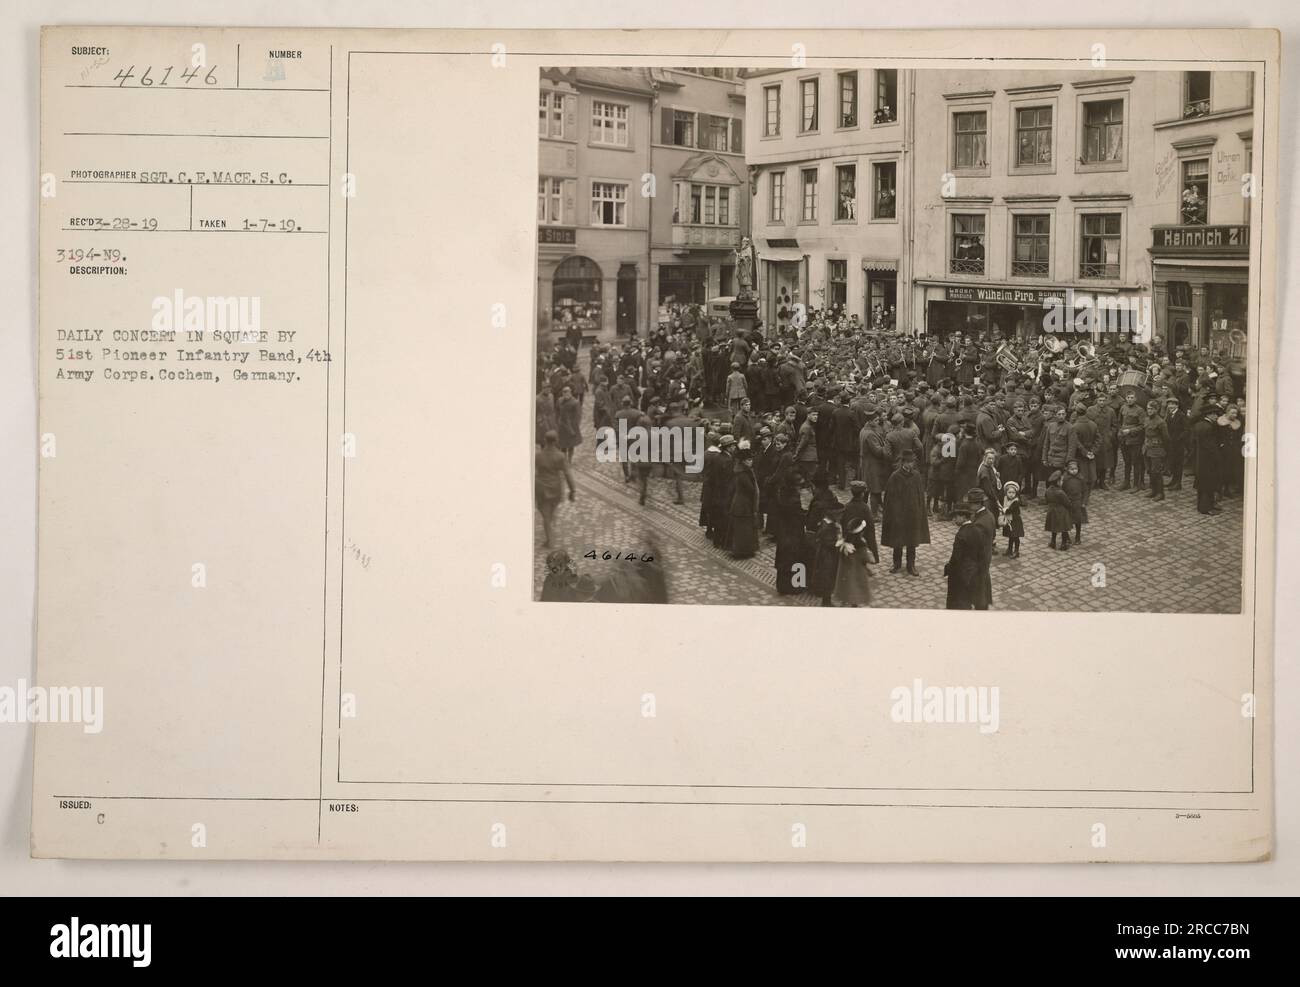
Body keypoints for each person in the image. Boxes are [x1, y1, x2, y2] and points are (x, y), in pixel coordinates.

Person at [881, 449, 930, 575]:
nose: (911, 464)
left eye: (912, 462)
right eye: (909, 462)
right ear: (903, 462)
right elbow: (889, 498)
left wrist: (919, 512)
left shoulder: (916, 476)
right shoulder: (895, 476)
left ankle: (911, 565)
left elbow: (920, 496)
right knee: (898, 540)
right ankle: (897, 563)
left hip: (913, 514)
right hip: (899, 515)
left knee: (912, 541)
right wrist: (893, 514)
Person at [944, 488, 993, 610]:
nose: (969, 506)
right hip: (982, 561)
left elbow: (973, 547)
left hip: (978, 565)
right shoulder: (988, 515)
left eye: (971, 503)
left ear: (978, 504)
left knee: (978, 599)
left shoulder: (979, 523)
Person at [535, 430, 576, 548]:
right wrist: (572, 491)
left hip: (542, 488)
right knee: (552, 511)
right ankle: (550, 531)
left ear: (545, 440)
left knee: (546, 515)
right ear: (557, 441)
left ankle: (549, 539)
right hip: (556, 488)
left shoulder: (538, 456)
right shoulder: (560, 456)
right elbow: (568, 474)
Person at [833, 513, 873, 607]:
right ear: (861, 532)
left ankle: (844, 600)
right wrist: (869, 562)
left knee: (846, 585)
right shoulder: (861, 543)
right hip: (857, 569)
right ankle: (854, 603)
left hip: (845, 569)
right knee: (855, 586)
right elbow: (865, 557)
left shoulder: (845, 541)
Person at [1191, 406, 1223, 515]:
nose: (1216, 416)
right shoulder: (1209, 427)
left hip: (1200, 459)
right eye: (1214, 414)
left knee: (1202, 484)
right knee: (1208, 484)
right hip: (1209, 460)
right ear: (1208, 415)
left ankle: (1205, 505)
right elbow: (1211, 446)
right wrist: (1218, 457)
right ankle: (1206, 508)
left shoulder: (1199, 425)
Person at [728, 449, 760, 559]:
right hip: (743, 505)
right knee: (743, 530)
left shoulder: (742, 471)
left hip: (741, 503)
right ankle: (741, 552)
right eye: (749, 460)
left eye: (751, 459)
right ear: (743, 461)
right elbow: (751, 489)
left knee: (744, 529)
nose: (751, 462)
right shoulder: (743, 474)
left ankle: (744, 550)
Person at [1141, 399, 1170, 502]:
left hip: (1157, 449)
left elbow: (1166, 438)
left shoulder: (1161, 422)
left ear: (1156, 409)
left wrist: (1164, 451)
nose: (1149, 411)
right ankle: (1153, 490)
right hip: (1147, 448)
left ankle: (1160, 493)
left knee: (1156, 472)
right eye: (1148, 409)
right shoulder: (1146, 419)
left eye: (1151, 409)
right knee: (1150, 471)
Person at [1061, 460, 1089, 545]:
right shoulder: (1065, 479)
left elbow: (1085, 491)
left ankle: (1078, 536)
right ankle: (1066, 537)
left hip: (1077, 502)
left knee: (1078, 520)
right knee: (1066, 520)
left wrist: (1084, 502)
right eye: (1071, 469)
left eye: (1075, 469)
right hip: (1068, 502)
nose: (1074, 471)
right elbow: (1062, 491)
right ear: (1067, 469)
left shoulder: (1081, 478)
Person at [1043, 470, 1072, 550]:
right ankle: (1063, 544)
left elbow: (1047, 500)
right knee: (1064, 529)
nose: (1062, 482)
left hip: (1052, 511)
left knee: (1054, 528)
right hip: (1061, 512)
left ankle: (1053, 542)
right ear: (1058, 482)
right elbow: (1067, 503)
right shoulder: (1060, 492)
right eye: (1061, 480)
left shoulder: (1048, 490)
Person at [999, 480, 1025, 558]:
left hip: (1015, 521)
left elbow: (1010, 510)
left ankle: (1016, 551)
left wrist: (1004, 510)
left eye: (1013, 493)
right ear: (1006, 493)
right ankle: (1009, 549)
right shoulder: (1005, 499)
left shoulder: (1016, 502)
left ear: (1016, 493)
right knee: (1011, 536)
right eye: (1009, 492)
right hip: (1009, 521)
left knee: (1015, 536)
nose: (1011, 494)